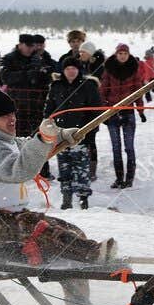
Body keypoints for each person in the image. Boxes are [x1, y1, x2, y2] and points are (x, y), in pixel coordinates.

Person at [0, 88, 114, 290]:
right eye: (4, 115)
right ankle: (94, 253)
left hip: (12, 218)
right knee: (38, 229)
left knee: (71, 231)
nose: (12, 119)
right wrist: (44, 140)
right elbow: (19, 170)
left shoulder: (8, 142)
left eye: (12, 113)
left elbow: (31, 147)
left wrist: (60, 136)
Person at [46, 60, 97, 209]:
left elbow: (95, 112)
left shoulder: (88, 86)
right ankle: (66, 197)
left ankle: (83, 198)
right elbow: (49, 110)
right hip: (61, 136)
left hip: (81, 135)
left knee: (82, 169)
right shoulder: (56, 86)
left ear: (78, 70)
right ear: (63, 70)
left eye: (74, 68)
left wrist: (89, 133)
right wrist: (50, 129)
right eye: (68, 68)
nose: (71, 71)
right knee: (64, 167)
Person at [99, 42, 147, 188]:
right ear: (116, 54)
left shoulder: (134, 69)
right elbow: (103, 91)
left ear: (128, 54)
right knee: (116, 147)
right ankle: (119, 178)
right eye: (120, 53)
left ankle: (129, 178)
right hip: (112, 112)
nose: (122, 56)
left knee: (129, 147)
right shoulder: (109, 69)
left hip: (128, 113)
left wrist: (140, 110)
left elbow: (138, 91)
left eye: (125, 53)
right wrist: (104, 111)